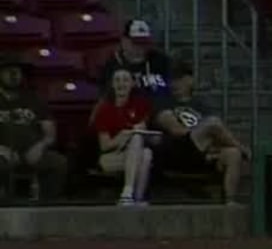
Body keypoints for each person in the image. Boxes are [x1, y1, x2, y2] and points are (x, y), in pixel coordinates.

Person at [151, 62, 247, 204]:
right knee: (213, 123)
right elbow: (176, 130)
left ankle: (230, 201)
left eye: (180, 79)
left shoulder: (202, 105)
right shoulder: (164, 103)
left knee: (233, 153)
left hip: (202, 154)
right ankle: (243, 148)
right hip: (178, 150)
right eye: (173, 80)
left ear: (191, 81)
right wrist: (203, 133)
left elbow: (218, 133)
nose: (175, 84)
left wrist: (210, 143)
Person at [0, 54, 67, 203]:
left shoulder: (34, 99)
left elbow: (50, 133)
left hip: (32, 151)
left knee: (59, 163)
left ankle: (47, 204)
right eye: (8, 70)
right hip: (3, 152)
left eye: (17, 71)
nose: (13, 74)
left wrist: (40, 146)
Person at [92, 67, 156, 206]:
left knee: (146, 152)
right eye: (118, 80)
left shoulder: (141, 105)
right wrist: (122, 136)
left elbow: (144, 131)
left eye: (125, 80)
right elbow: (104, 145)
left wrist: (134, 134)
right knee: (141, 150)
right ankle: (130, 194)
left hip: (133, 152)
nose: (121, 84)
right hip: (110, 157)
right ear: (112, 84)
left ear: (132, 84)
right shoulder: (104, 110)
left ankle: (133, 197)